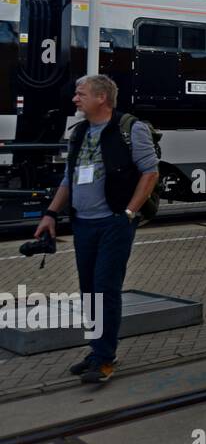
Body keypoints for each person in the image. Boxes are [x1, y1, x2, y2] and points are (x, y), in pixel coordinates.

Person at [33, 75, 159, 384]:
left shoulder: (130, 129)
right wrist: (50, 214)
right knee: (89, 292)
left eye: (81, 93)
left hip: (113, 223)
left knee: (105, 290)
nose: (75, 99)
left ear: (101, 98)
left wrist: (128, 213)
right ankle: (98, 351)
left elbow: (150, 172)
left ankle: (103, 359)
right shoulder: (79, 133)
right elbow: (68, 179)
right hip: (83, 224)